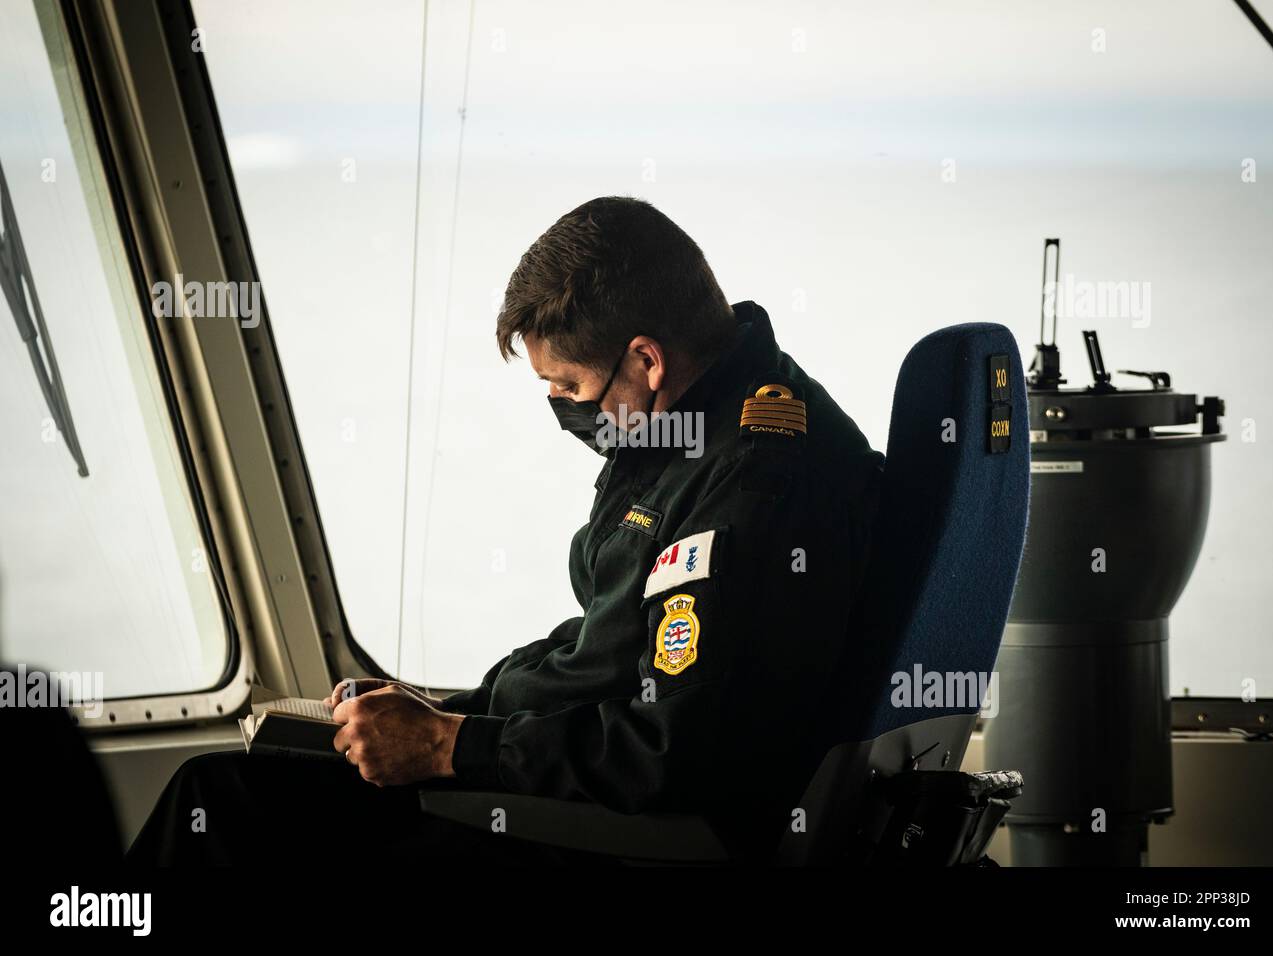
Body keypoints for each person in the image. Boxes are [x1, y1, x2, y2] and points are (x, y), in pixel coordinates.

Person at [128, 196, 883, 864]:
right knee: (272, 773)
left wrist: (447, 746)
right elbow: (616, 641)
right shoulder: (693, 429)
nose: (565, 410)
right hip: (587, 786)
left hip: (644, 834)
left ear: (647, 360)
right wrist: (454, 710)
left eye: (571, 388)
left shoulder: (755, 484)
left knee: (223, 801)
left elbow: (669, 750)